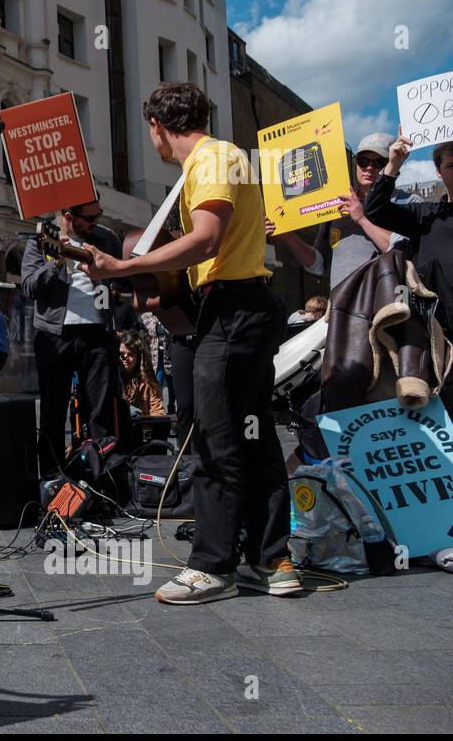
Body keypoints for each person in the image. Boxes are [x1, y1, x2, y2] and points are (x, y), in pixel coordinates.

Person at [81, 82, 299, 604]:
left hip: (232, 313)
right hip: (239, 307)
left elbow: (206, 238)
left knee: (214, 440)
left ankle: (211, 567)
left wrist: (126, 266)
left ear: (157, 126)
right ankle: (273, 561)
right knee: (254, 436)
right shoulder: (223, 159)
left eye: (150, 129)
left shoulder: (211, 159)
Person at [20, 198, 125, 474]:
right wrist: (56, 261)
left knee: (100, 410)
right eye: (90, 218)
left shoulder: (107, 238)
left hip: (97, 331)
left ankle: (102, 476)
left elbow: (122, 278)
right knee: (53, 411)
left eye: (98, 215)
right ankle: (53, 478)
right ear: (68, 216)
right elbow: (29, 286)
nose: (95, 222)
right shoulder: (41, 240)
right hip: (55, 334)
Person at [270, 134, 412, 290]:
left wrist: (362, 219)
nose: (369, 167)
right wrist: (289, 238)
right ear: (355, 164)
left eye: (380, 162)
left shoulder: (409, 203)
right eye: (363, 161)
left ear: (394, 163)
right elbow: (319, 265)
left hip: (388, 307)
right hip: (342, 309)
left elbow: (406, 253)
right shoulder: (336, 206)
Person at [365, 138, 453, 335]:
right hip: (440, 332)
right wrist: (393, 164)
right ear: (439, 172)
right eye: (451, 165)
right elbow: (374, 210)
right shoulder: (424, 215)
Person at [118, 330, 165, 416]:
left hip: (141, 426)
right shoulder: (111, 379)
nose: (125, 357)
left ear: (139, 357)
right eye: (121, 354)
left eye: (131, 354)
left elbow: (158, 412)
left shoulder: (149, 382)